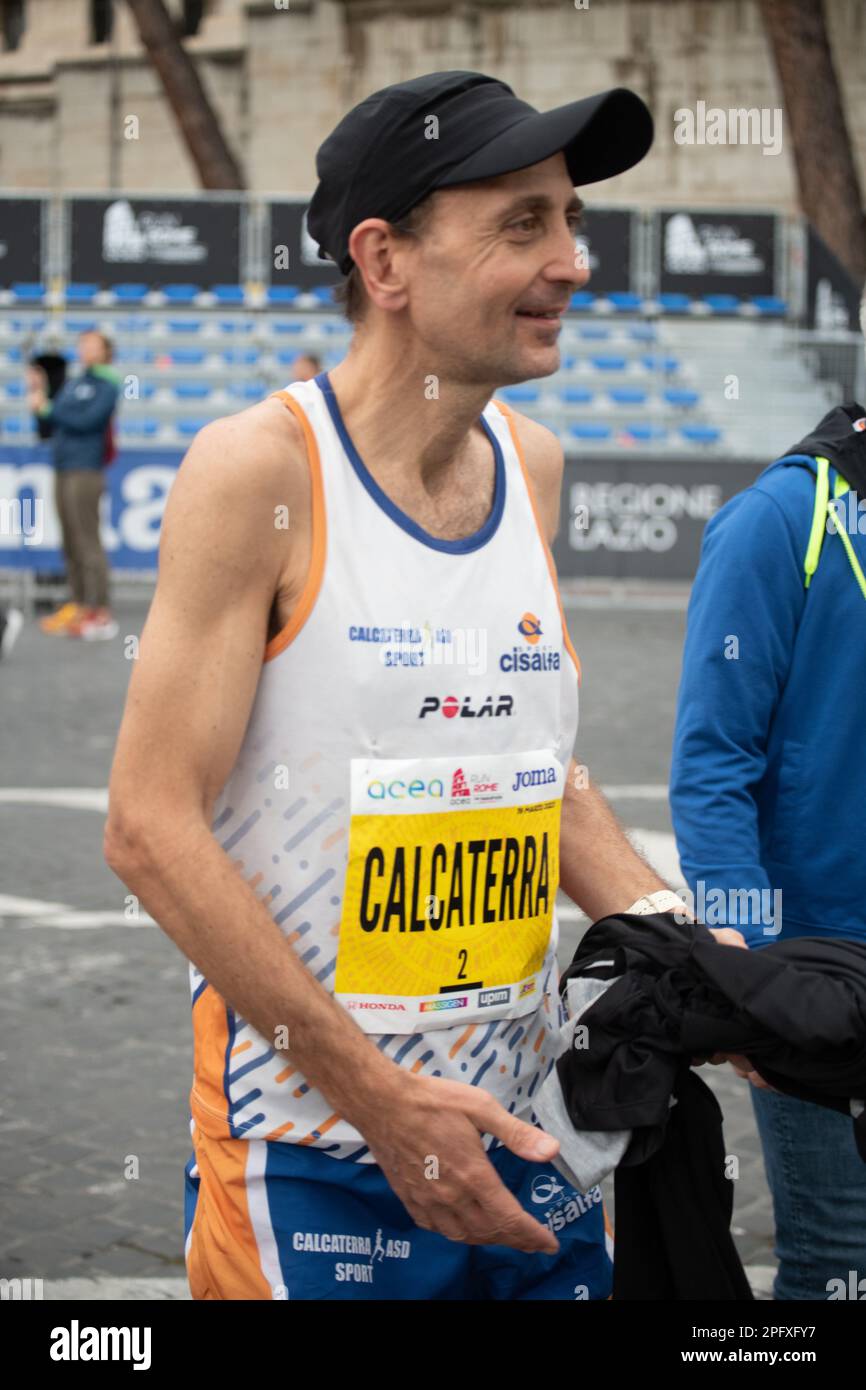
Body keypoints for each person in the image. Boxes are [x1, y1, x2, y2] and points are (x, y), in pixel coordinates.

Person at [105, 70, 744, 1302]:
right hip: (319, 1159)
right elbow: (148, 826)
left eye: (570, 220)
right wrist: (383, 1103)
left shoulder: (532, 464)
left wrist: (697, 965)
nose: (571, 261)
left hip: (528, 1140)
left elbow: (530, 776)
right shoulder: (256, 471)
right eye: (522, 224)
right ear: (383, 261)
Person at [670, 389, 866, 1300]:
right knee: (840, 1265)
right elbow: (715, 759)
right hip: (825, 973)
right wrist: (746, 959)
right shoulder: (781, 518)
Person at [29, 330, 121, 641]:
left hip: (86, 469)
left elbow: (87, 421)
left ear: (106, 350)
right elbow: (53, 420)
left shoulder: (108, 384)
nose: (83, 349)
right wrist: (43, 400)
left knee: (87, 541)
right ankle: (80, 604)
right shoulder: (76, 381)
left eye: (91, 344)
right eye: (82, 343)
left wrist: (53, 409)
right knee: (70, 540)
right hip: (64, 466)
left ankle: (101, 610)